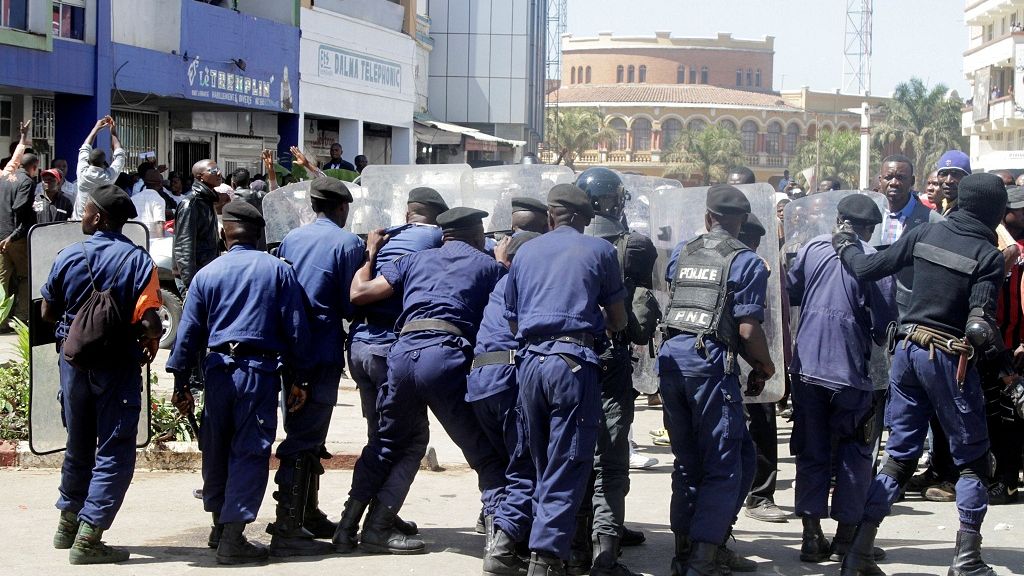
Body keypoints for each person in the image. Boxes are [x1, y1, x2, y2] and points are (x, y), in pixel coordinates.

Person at [832, 173, 1009, 576]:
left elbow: (865, 267)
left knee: (898, 458)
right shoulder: (988, 255)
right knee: (972, 463)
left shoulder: (923, 236)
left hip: (907, 352)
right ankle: (966, 559)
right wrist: (1008, 376)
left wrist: (844, 244)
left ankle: (858, 552)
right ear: (995, 211)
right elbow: (981, 328)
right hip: (948, 359)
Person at [344, 206, 507, 556]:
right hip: (446, 357)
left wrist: (370, 254)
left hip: (401, 356)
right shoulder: (489, 267)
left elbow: (360, 293)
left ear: (444, 234)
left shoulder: (414, 260)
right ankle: (498, 546)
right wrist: (503, 262)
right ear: (478, 235)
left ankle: (350, 528)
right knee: (483, 453)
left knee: (387, 444)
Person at [167, 201, 310, 565]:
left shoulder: (206, 274)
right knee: (249, 450)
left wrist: (181, 383)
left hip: (217, 371)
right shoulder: (278, 271)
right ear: (259, 233)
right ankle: (232, 538)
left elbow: (188, 336)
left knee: (216, 447)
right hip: (257, 373)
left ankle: (220, 525)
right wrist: (300, 379)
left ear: (223, 233)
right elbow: (295, 330)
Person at [494, 183, 627, 575]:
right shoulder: (601, 250)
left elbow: (513, 318)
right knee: (567, 462)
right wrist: (585, 319)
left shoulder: (527, 251)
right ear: (587, 220)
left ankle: (539, 546)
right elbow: (618, 319)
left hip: (530, 363)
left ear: (551, 216)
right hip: (572, 363)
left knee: (537, 461)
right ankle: (547, 558)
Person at [41, 184, 162, 564]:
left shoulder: (69, 255)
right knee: (114, 449)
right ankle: (90, 537)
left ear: (101, 217)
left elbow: (46, 311)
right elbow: (150, 319)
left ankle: (67, 526)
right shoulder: (139, 262)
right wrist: (150, 339)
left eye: (88, 211)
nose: (83, 215)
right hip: (117, 368)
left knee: (78, 444)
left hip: (73, 363)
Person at [659, 184, 775, 576]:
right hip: (709, 367)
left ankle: (686, 553)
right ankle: (703, 560)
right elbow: (747, 330)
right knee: (725, 464)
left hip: (672, 362)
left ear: (708, 218)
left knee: (697, 462)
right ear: (741, 223)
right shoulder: (748, 262)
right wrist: (765, 367)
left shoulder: (682, 252)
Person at [786, 194, 896, 564]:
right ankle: (846, 541)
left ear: (839, 220)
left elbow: (792, 291)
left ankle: (811, 537)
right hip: (850, 373)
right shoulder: (876, 261)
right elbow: (884, 329)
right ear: (869, 228)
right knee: (855, 453)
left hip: (806, 367)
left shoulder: (813, 248)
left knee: (811, 450)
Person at [335, 187, 447, 553]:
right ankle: (373, 526)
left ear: (408, 212)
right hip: (390, 350)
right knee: (411, 440)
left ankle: (355, 522)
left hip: (361, 347)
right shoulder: (434, 238)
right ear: (437, 216)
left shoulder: (384, 237)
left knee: (381, 440)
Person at [566, 167, 657, 576]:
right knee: (612, 458)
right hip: (609, 359)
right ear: (611, 201)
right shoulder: (633, 246)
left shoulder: (557, 244)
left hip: (560, 360)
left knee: (572, 452)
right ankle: (605, 550)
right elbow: (636, 321)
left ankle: (576, 544)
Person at [269, 177, 364, 557]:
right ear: (342, 208)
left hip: (290, 348)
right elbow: (350, 301)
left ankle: (306, 512)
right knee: (305, 435)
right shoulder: (348, 243)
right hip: (321, 348)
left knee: (304, 428)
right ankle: (288, 523)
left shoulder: (293, 238)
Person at [471, 231, 542, 576]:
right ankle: (503, 545)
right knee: (524, 464)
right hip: (509, 376)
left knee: (497, 465)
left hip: (480, 379)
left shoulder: (501, 285)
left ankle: (494, 536)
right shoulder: (530, 282)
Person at [983, 186, 1024, 505]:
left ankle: (1008, 481)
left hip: (1016, 345)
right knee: (998, 417)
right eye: (1015, 209)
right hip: (995, 345)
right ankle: (1003, 479)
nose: (1020, 215)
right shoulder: (992, 242)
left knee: (1011, 417)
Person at [0, 151, 39, 323]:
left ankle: (1, 319)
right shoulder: (27, 182)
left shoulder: (4, 180)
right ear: (34, 167)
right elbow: (20, 207)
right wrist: (15, 236)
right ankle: (21, 318)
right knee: (25, 277)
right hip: (16, 238)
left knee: (2, 279)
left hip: (1, 235)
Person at [173, 159, 222, 296]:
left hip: (207, 272)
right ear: (200, 176)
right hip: (196, 279)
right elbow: (183, 247)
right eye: (213, 171)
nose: (219, 173)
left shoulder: (207, 200)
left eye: (218, 169)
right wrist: (191, 285)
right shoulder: (191, 203)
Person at [75, 116, 126, 220]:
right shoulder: (108, 176)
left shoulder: (82, 172)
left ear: (88, 161)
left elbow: (85, 147)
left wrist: (96, 129)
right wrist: (113, 133)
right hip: (99, 223)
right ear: (104, 163)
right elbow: (119, 154)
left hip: (79, 221)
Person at [131, 169, 167, 239]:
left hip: (133, 239)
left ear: (145, 183)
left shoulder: (133, 198)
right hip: (150, 242)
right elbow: (159, 223)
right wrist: (161, 241)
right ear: (160, 184)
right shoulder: (158, 199)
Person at [936, 150, 971, 216]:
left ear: (968, 177)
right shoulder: (940, 207)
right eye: (943, 174)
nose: (948, 181)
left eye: (955, 174)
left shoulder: (969, 212)